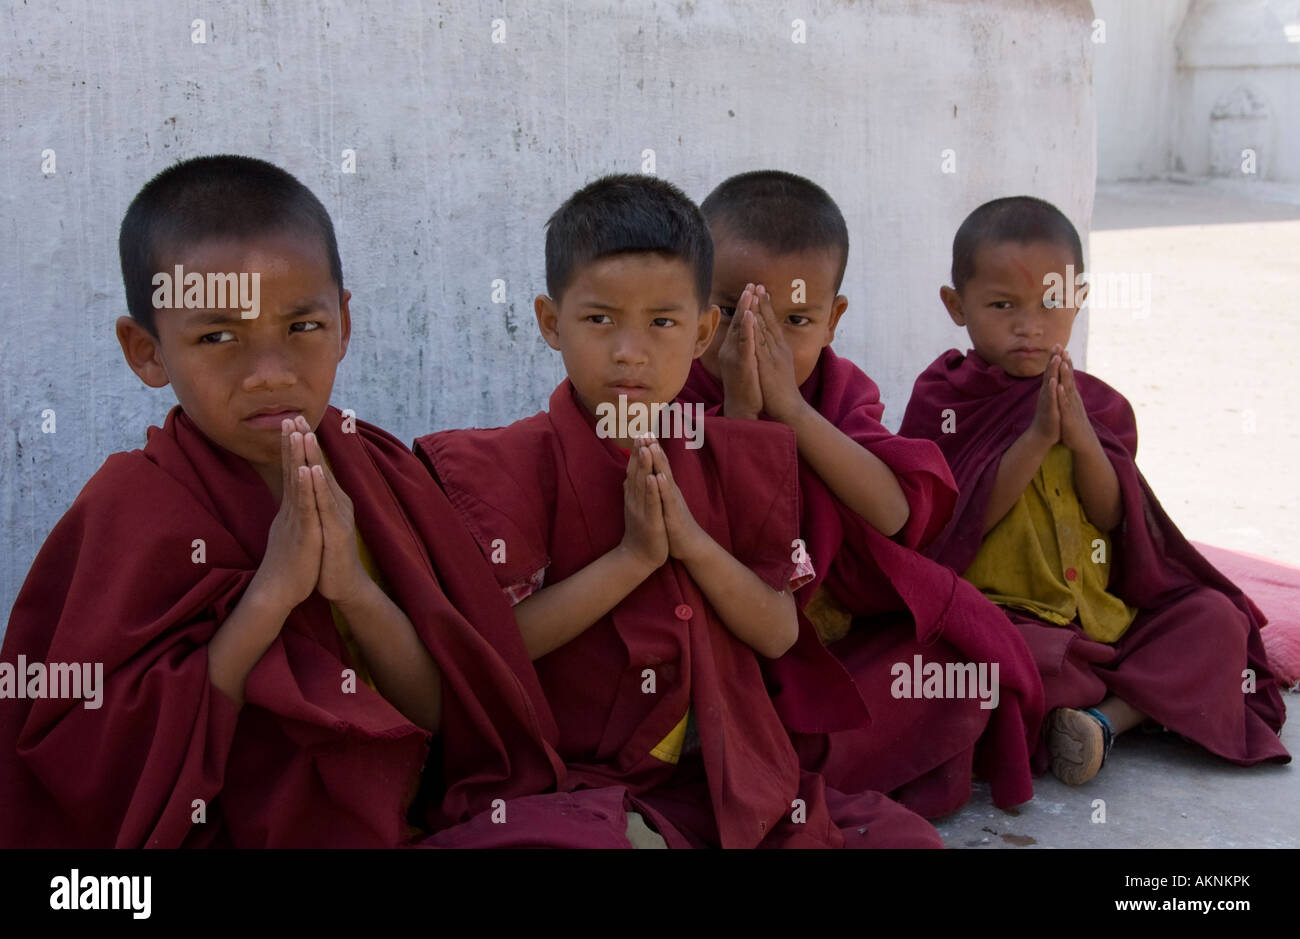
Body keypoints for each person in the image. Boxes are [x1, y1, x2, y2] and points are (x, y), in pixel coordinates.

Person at [0, 155, 565, 847]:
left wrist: (354, 589)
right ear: (145, 350)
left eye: (302, 327)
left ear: (344, 322)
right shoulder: (130, 509)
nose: (270, 374)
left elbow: (457, 721)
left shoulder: (380, 473)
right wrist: (267, 597)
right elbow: (92, 768)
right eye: (217, 337)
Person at [416, 173, 943, 847]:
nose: (630, 351)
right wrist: (632, 560)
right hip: (575, 778)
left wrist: (691, 543)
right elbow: (494, 646)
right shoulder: (512, 464)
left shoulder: (734, 456)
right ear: (552, 322)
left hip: (716, 774)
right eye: (600, 319)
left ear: (702, 332)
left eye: (662, 323)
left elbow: (780, 631)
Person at [678, 170, 1042, 815]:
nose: (756, 339)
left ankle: (771, 761)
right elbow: (720, 538)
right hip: (721, 640)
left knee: (953, 659)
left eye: (794, 319)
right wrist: (738, 414)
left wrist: (791, 411)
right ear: (693, 307)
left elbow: (898, 513)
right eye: (731, 312)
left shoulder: (839, 393)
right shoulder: (673, 396)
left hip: (833, 636)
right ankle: (743, 751)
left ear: (832, 321)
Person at [899, 194, 1290, 784]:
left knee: (1215, 618)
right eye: (1003, 305)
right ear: (957, 305)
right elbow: (957, 523)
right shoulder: (948, 398)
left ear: (1078, 299)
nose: (1029, 325)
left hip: (1107, 619)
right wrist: (1034, 440)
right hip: (1012, 616)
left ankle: (1105, 722)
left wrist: (1080, 440)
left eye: (1050, 303)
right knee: (989, 667)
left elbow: (1114, 518)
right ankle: (1134, 702)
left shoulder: (1097, 402)